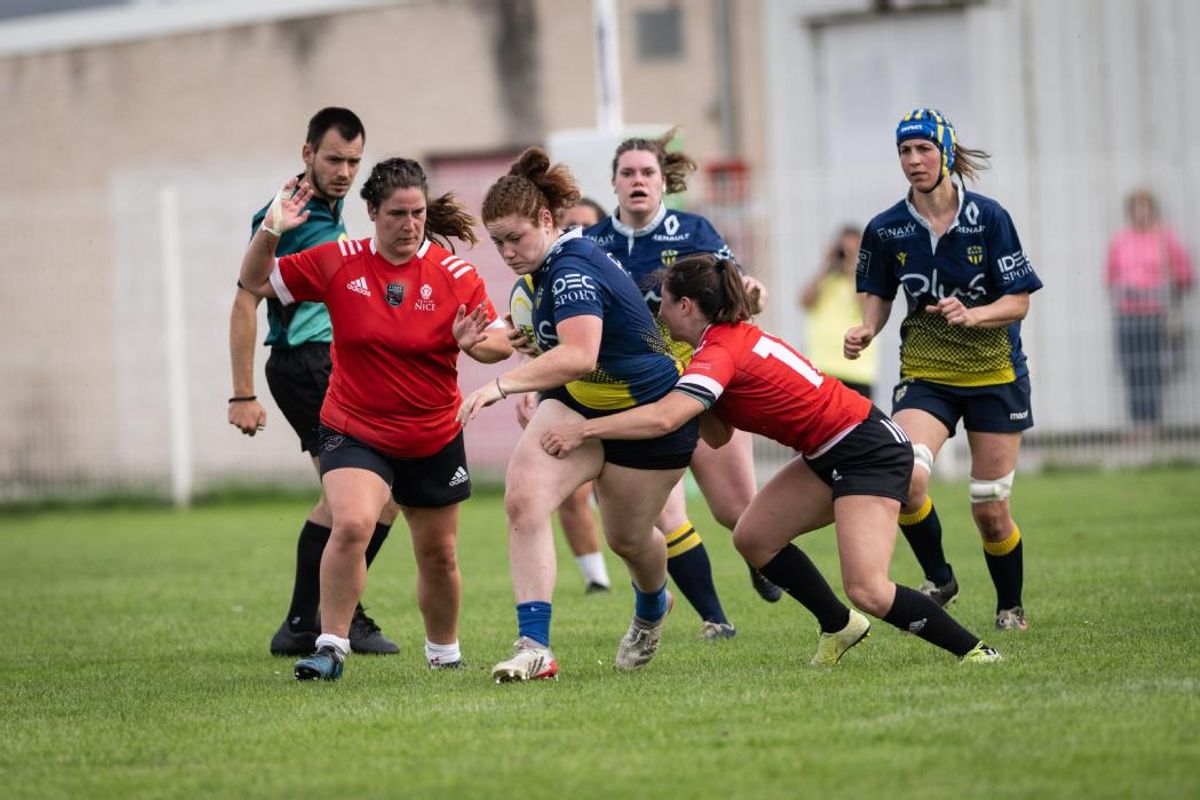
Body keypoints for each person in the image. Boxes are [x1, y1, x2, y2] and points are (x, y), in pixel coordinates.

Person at [542, 253, 1001, 665]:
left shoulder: (720, 351)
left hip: (867, 449)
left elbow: (665, 419)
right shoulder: (719, 344)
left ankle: (977, 651)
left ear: (685, 306)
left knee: (868, 589)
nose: (656, 311)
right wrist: (674, 383)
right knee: (754, 538)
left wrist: (585, 429)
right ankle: (839, 625)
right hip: (832, 449)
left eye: (662, 301)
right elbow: (718, 435)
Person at [238, 158, 511, 680]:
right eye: (397, 214)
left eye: (418, 213)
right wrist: (272, 229)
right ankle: (330, 647)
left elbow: (498, 342)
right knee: (352, 524)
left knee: (439, 556)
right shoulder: (338, 261)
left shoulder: (454, 274)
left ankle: (444, 654)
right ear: (371, 212)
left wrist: (474, 344)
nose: (410, 225)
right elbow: (254, 281)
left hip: (432, 435)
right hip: (354, 427)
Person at [458, 148, 698, 682]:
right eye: (497, 242)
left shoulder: (570, 268)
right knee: (523, 501)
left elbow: (580, 355)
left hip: (646, 415)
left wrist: (501, 386)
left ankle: (652, 605)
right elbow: (540, 345)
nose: (507, 252)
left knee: (628, 540)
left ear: (546, 220)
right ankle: (534, 647)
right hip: (577, 405)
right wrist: (500, 355)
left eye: (515, 238)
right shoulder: (538, 275)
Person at [844, 108, 1043, 632]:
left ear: (946, 154)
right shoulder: (886, 228)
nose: (913, 160)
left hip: (994, 374)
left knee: (990, 507)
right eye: (905, 151)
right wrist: (867, 329)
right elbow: (878, 293)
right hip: (927, 374)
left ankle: (1010, 607)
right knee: (906, 474)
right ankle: (940, 578)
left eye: (924, 149)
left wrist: (974, 314)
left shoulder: (989, 218)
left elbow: (1019, 301)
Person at [584, 127, 781, 641]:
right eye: (627, 173)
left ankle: (762, 557)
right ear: (613, 182)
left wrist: (754, 295)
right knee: (664, 517)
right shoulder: (593, 244)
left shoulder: (694, 231)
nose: (637, 180)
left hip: (704, 383)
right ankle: (716, 619)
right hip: (637, 394)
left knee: (735, 511)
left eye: (647, 172)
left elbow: (738, 291)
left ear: (662, 181)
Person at [227, 107, 400, 657]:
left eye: (353, 161)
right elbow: (245, 298)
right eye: (333, 159)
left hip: (334, 364)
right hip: (306, 366)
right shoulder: (284, 215)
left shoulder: (329, 205)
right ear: (307, 154)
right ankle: (324, 617)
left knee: (370, 499)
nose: (344, 171)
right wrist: (242, 394)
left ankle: (315, 617)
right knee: (360, 500)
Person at [511, 197, 613, 594]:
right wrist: (525, 377)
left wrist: (503, 384)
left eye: (586, 226)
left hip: (622, 399)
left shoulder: (608, 272)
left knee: (629, 514)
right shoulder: (540, 282)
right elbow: (533, 338)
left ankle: (656, 586)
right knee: (562, 494)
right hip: (569, 397)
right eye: (570, 226)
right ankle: (597, 580)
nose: (576, 233)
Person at [1105, 189, 1194, 436]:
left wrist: (1161, 287)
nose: (1140, 213)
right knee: (1132, 369)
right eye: (1136, 208)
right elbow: (1110, 277)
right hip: (1127, 315)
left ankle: (1152, 424)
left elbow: (1185, 275)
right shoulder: (1121, 240)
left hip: (1156, 314)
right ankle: (1137, 424)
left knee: (1153, 368)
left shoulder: (1165, 238)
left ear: (1152, 210)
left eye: (1144, 207)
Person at [799, 224, 879, 399]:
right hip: (822, 367)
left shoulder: (866, 281)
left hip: (857, 371)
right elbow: (805, 301)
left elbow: (866, 307)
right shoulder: (826, 280)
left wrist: (853, 268)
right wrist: (826, 265)